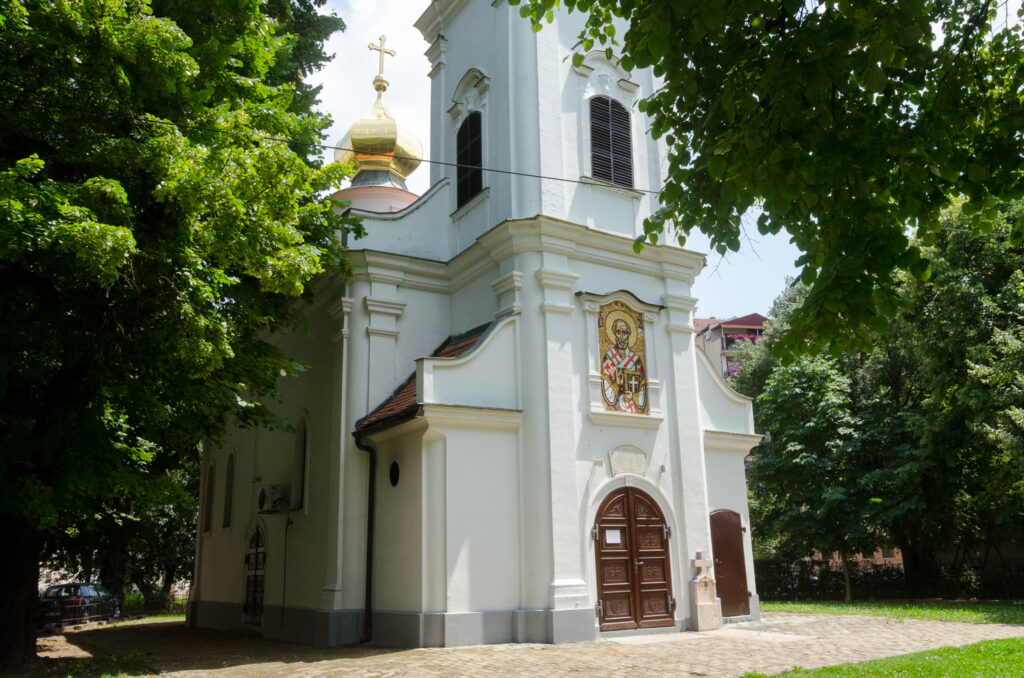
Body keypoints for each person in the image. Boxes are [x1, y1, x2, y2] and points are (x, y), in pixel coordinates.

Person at [601, 318, 647, 413]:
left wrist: (633, 396)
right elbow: (605, 384)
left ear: (629, 335)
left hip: (632, 407)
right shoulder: (609, 357)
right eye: (618, 332)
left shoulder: (636, 360)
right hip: (614, 407)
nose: (621, 337)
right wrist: (616, 386)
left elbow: (642, 386)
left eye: (625, 333)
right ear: (614, 333)